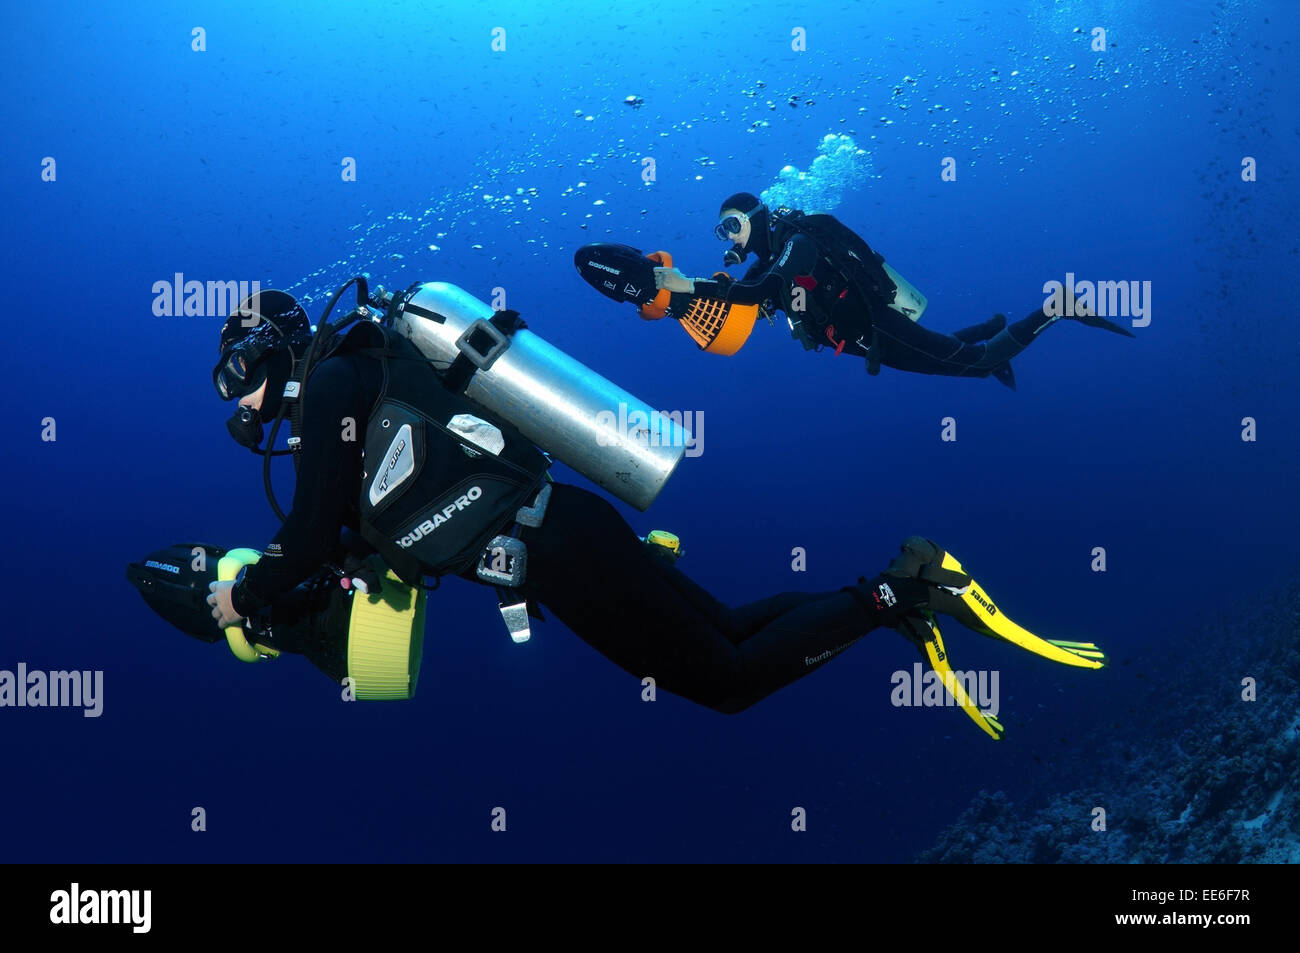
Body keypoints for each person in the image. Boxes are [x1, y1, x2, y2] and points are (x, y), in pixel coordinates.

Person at [195, 286, 1103, 732]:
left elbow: (311, 532)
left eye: (236, 377)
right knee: (734, 629)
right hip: (566, 530)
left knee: (729, 683)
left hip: (557, 551)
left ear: (272, 351)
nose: (239, 405)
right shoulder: (369, 370)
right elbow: (376, 524)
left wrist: (247, 595)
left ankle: (902, 594)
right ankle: (893, 588)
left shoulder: (333, 387)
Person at [652, 192, 1134, 387]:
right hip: (870, 338)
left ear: (754, 218)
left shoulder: (796, 245)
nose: (730, 238)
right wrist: (683, 301)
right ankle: (994, 327)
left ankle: (1056, 308)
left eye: (731, 226)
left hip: (875, 327)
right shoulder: (768, 262)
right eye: (721, 233)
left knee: (978, 366)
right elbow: (742, 305)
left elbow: (756, 296)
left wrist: (684, 284)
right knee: (945, 355)